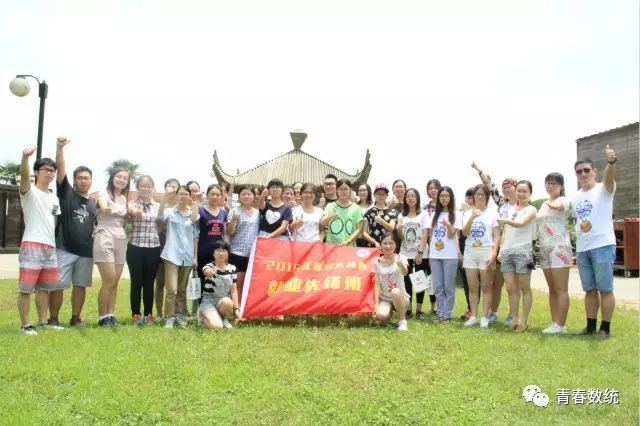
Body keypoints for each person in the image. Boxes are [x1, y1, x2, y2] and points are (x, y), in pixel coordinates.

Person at [572, 145, 617, 339]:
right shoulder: (575, 197)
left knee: (605, 289)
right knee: (590, 290)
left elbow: (609, 177)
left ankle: (605, 328)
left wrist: (611, 162)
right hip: (583, 248)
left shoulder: (604, 189)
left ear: (594, 171)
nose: (583, 174)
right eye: (579, 172)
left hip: (602, 246)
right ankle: (590, 327)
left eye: (586, 170)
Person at [16, 147, 60, 335]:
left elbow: (54, 221)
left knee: (44, 288)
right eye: (45, 169)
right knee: (26, 288)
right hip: (32, 244)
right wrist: (25, 158)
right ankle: (25, 325)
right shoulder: (29, 191)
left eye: (52, 170)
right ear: (36, 172)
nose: (49, 173)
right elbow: (24, 179)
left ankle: (43, 322)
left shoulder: (54, 197)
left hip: (50, 246)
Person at [53, 137, 97, 328]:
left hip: (87, 252)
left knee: (80, 286)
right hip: (64, 248)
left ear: (91, 181)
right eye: (80, 177)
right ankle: (53, 318)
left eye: (86, 178)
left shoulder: (94, 204)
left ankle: (76, 317)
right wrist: (60, 148)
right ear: (75, 180)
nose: (83, 180)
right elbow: (61, 170)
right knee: (58, 285)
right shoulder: (67, 194)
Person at [471, 161, 517, 325]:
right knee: (496, 283)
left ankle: (513, 314)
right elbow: (489, 185)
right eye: (504, 186)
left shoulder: (521, 205)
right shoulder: (502, 203)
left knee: (513, 285)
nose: (506, 188)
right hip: (499, 248)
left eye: (509, 185)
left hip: (515, 246)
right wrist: (479, 170)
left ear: (516, 188)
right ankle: (493, 312)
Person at [497, 181, 537, 332]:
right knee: (510, 288)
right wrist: (501, 249)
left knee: (524, 287)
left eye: (524, 191)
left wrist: (505, 220)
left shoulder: (531, 209)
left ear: (530, 193)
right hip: (507, 251)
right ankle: (514, 318)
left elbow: (521, 223)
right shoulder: (511, 209)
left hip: (523, 250)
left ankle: (524, 321)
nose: (521, 194)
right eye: (519, 191)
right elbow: (506, 231)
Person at [536, 173, 572, 334]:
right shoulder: (544, 204)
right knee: (552, 288)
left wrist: (554, 206)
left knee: (561, 288)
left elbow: (563, 210)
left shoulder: (564, 200)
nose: (550, 186)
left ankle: (561, 324)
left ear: (561, 186)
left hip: (559, 247)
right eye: (548, 183)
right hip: (544, 247)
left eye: (554, 183)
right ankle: (555, 323)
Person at [159, 185, 199, 328]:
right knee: (172, 289)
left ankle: (180, 315)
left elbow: (195, 235)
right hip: (171, 254)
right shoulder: (169, 212)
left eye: (185, 194)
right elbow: (159, 219)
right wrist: (164, 198)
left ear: (189, 196)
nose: (183, 196)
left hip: (187, 256)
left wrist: (195, 257)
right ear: (176, 196)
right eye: (180, 194)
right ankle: (169, 317)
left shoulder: (192, 213)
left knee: (182, 290)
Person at [461, 184, 501, 328]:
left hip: (486, 250)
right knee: (472, 286)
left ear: (486, 196)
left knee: (486, 286)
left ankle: (484, 317)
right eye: (476, 194)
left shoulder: (493, 213)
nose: (479, 196)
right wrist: (472, 216)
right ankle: (473, 316)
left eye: (482, 194)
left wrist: (494, 253)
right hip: (470, 250)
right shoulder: (467, 213)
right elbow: (464, 233)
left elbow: (497, 236)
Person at [95, 167, 130, 327]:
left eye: (125, 178)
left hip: (120, 238)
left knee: (115, 281)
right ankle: (102, 317)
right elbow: (104, 207)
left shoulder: (123, 198)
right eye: (119, 176)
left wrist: (122, 211)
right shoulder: (104, 193)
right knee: (108, 280)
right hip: (104, 236)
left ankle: (110, 315)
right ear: (112, 177)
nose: (121, 180)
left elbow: (126, 215)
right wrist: (108, 208)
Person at [126, 175, 161, 325]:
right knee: (136, 282)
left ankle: (148, 314)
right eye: (142, 186)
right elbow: (127, 216)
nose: (146, 188)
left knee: (149, 283)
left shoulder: (158, 206)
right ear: (138, 188)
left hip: (153, 248)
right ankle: (135, 314)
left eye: (148, 186)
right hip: (135, 247)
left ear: (153, 188)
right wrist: (132, 212)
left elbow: (161, 225)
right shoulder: (132, 204)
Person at [429, 187, 463, 322]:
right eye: (441, 196)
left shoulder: (456, 214)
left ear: (451, 198)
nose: (444, 198)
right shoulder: (434, 215)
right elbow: (431, 235)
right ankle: (441, 312)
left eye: (447, 196)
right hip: (435, 255)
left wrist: (449, 225)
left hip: (450, 256)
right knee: (438, 286)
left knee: (449, 287)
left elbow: (451, 235)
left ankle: (447, 314)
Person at [396, 188, 430, 319]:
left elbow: (426, 233)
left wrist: (420, 253)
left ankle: (419, 310)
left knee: (420, 281)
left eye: (413, 196)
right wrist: (399, 230)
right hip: (405, 253)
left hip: (421, 253)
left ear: (417, 198)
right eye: (408, 196)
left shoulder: (424, 214)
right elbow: (400, 237)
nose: (410, 198)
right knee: (406, 282)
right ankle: (408, 309)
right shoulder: (401, 215)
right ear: (405, 199)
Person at [195, 184, 228, 315]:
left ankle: (216, 310)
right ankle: (202, 312)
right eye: (212, 194)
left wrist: (226, 252)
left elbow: (224, 234)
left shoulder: (224, 213)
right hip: (203, 251)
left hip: (218, 254)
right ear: (207, 195)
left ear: (221, 197)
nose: (214, 197)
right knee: (203, 282)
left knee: (217, 281)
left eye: (217, 194)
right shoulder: (200, 211)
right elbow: (195, 229)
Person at [227, 185, 260, 301]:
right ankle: (237, 308)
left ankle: (245, 308)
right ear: (239, 196)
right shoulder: (234, 211)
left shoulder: (258, 213)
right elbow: (230, 232)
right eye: (243, 194)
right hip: (237, 252)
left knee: (249, 282)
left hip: (253, 253)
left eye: (249, 194)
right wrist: (234, 219)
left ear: (254, 196)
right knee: (238, 282)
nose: (246, 196)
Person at [373, 232, 409, 331]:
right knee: (381, 316)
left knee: (395, 291)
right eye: (385, 243)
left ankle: (402, 321)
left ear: (395, 244)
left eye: (391, 243)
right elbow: (376, 284)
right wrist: (376, 304)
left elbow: (405, 272)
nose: (388, 246)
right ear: (381, 244)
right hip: (385, 299)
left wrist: (402, 265)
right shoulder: (376, 261)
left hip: (400, 297)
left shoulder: (401, 257)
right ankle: (388, 313)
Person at [199, 241, 240, 330]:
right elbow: (207, 272)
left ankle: (223, 318)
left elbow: (234, 290)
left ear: (228, 253)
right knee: (217, 327)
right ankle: (203, 317)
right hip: (208, 302)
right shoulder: (208, 266)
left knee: (228, 301)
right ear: (213, 253)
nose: (221, 253)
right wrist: (210, 272)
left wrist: (236, 309)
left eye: (224, 250)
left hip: (222, 302)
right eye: (218, 250)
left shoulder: (232, 268)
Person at [154, 178, 179, 320]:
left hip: (176, 251)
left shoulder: (180, 207)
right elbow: (159, 225)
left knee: (174, 287)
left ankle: (173, 312)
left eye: (174, 186)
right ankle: (158, 314)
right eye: (168, 186)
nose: (171, 188)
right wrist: (163, 201)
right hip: (161, 249)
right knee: (160, 283)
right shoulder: (161, 205)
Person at [321, 179, 364, 246]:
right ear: (337, 190)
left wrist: (348, 241)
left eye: (346, 189)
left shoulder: (356, 208)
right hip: (331, 247)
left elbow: (359, 229)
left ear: (350, 190)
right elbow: (322, 223)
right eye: (341, 189)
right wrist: (331, 217)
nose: (343, 191)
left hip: (349, 247)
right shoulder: (330, 206)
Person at [362, 183, 398, 249]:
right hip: (373, 246)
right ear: (374, 195)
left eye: (383, 194)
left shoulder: (393, 212)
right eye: (378, 194)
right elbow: (364, 232)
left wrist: (381, 221)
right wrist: (374, 242)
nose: (381, 196)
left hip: (388, 246)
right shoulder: (368, 212)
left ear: (387, 196)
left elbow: (391, 228)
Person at [459, 187, 475, 320]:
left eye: (472, 198)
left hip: (476, 250)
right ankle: (470, 309)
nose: (470, 200)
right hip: (463, 250)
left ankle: (474, 310)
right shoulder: (461, 213)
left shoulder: (479, 213)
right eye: (468, 197)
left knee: (476, 282)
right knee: (466, 282)